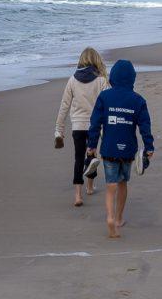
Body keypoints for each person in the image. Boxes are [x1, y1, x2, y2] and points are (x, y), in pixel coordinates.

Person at [87, 59, 154, 238]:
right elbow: (145, 125)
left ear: (112, 78)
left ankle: (109, 217)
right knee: (123, 183)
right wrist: (149, 147)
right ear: (132, 79)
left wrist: (91, 145)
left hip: (109, 149)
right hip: (128, 151)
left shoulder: (104, 97)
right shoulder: (138, 100)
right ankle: (118, 218)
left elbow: (95, 123)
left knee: (111, 186)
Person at [54, 47, 109, 207]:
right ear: (96, 60)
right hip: (94, 125)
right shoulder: (101, 80)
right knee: (91, 154)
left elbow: (64, 105)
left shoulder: (72, 80)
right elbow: (107, 103)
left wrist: (59, 128)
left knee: (78, 157)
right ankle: (90, 187)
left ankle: (78, 195)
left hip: (77, 124)